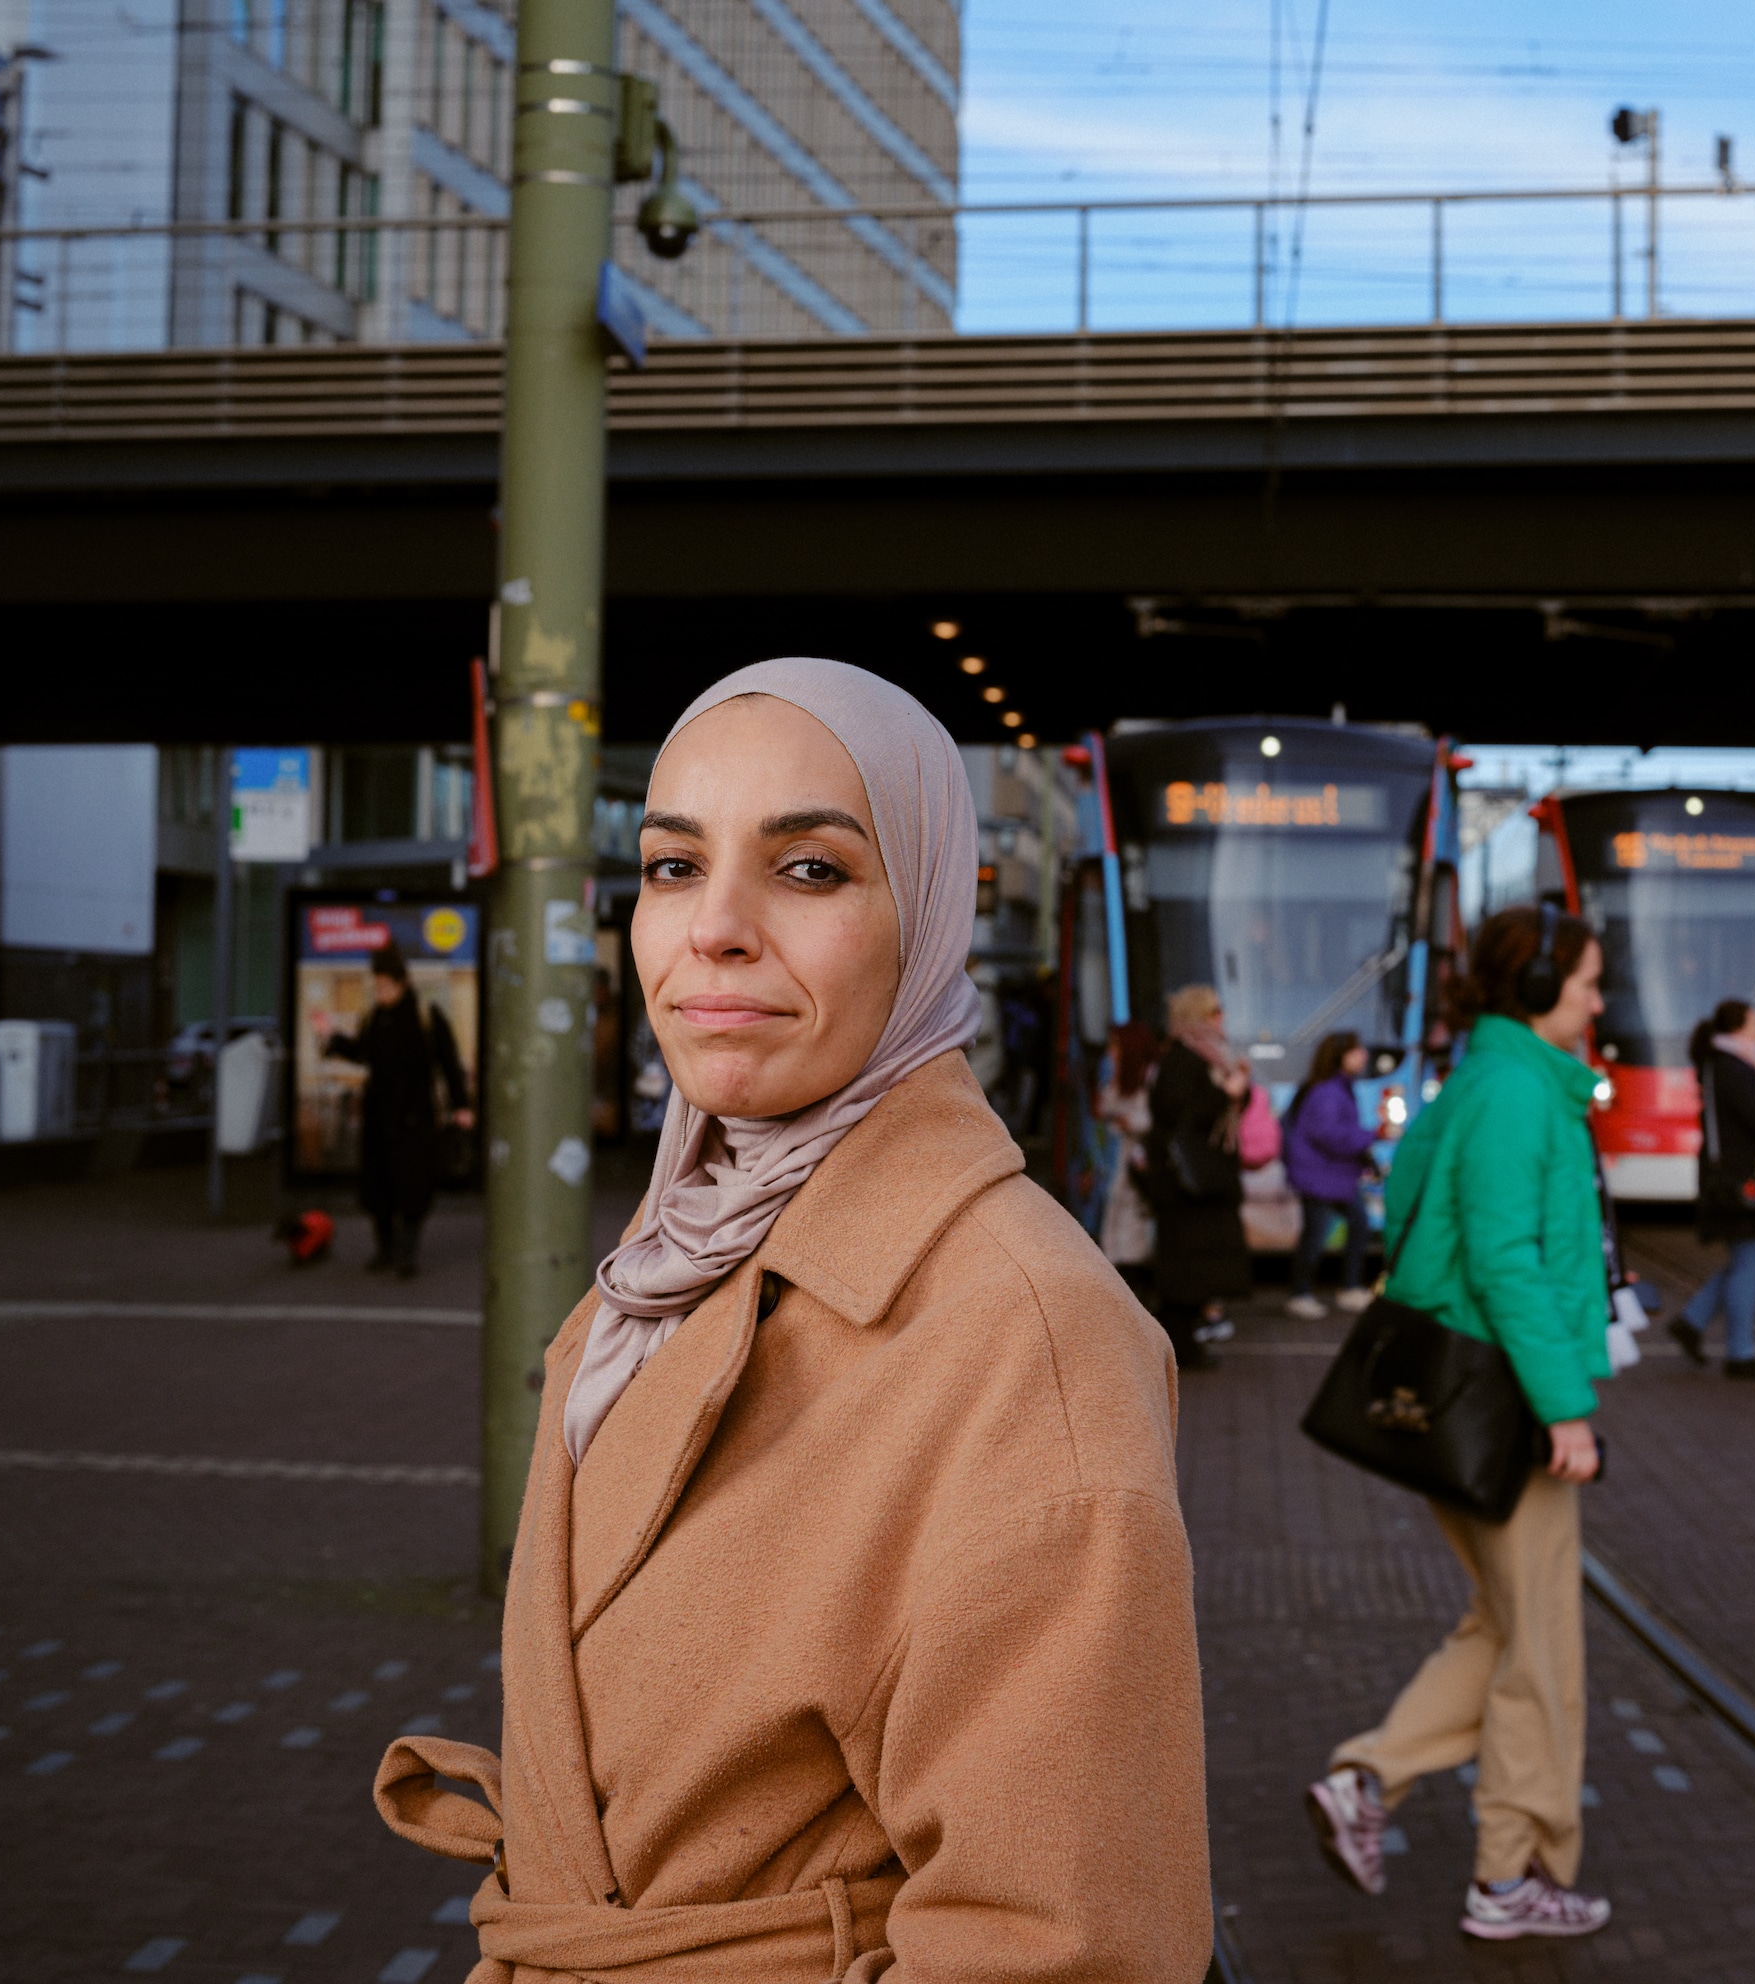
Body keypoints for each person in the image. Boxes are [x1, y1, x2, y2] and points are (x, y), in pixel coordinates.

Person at [370, 659, 1211, 1980]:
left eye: (810, 868)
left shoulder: (1026, 1335)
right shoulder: (671, 1254)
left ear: (925, 915)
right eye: (670, 867)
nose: (714, 927)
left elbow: (1065, 1945)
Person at [1304, 904, 1616, 1943]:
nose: (1598, 999)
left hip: (1454, 1404)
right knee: (1541, 1655)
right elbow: (1503, 1259)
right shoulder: (1518, 1094)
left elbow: (1403, 1213)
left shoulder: (1472, 1085)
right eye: (1586, 981)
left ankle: (1368, 1781)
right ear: (1535, 990)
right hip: (1504, 1407)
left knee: (1498, 1625)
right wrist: (1563, 1407)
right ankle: (1508, 1875)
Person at [312, 943, 471, 1278]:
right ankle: (385, 1250)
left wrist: (461, 1105)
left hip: (415, 1119)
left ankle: (406, 1253)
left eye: (385, 985)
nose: (379, 991)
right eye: (377, 985)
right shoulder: (374, 1017)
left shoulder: (425, 1014)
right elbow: (361, 1052)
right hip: (378, 1117)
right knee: (377, 1186)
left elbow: (448, 1062)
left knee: (412, 1186)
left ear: (401, 983)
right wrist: (332, 1039)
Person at [1670, 997, 1755, 1382]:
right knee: (1751, 1260)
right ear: (1738, 1028)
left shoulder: (1734, 1062)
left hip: (1740, 1179)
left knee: (1753, 1259)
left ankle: (1693, 1323)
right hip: (1738, 1183)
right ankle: (1739, 1354)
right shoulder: (1731, 1066)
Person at [1146, 983, 1251, 1368]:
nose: (1222, 1018)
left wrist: (1237, 1090)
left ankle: (1186, 1342)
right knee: (1184, 1270)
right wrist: (1227, 1093)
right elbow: (1183, 1115)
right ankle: (1180, 1347)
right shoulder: (1181, 1059)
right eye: (1213, 1012)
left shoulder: (1208, 1057)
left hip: (1198, 1186)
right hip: (1185, 1187)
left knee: (1194, 1268)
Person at [1283, 1029, 1383, 1319]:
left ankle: (1343, 1288)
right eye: (1356, 1050)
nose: (1363, 1055)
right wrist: (1370, 1136)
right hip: (1322, 1177)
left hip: (1332, 1177)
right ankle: (1301, 1293)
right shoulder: (1329, 1090)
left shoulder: (1333, 1087)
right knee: (1316, 1237)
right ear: (1341, 1056)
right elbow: (1328, 1134)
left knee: (1355, 1225)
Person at [1096, 1019, 1160, 1269]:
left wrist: (1126, 1121)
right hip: (1121, 1159)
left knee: (1133, 1216)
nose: (1111, 1053)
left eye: (1116, 1046)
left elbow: (1150, 1119)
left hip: (1138, 1160)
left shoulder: (1149, 1077)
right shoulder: (1119, 1074)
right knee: (1119, 1210)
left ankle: (1131, 1269)